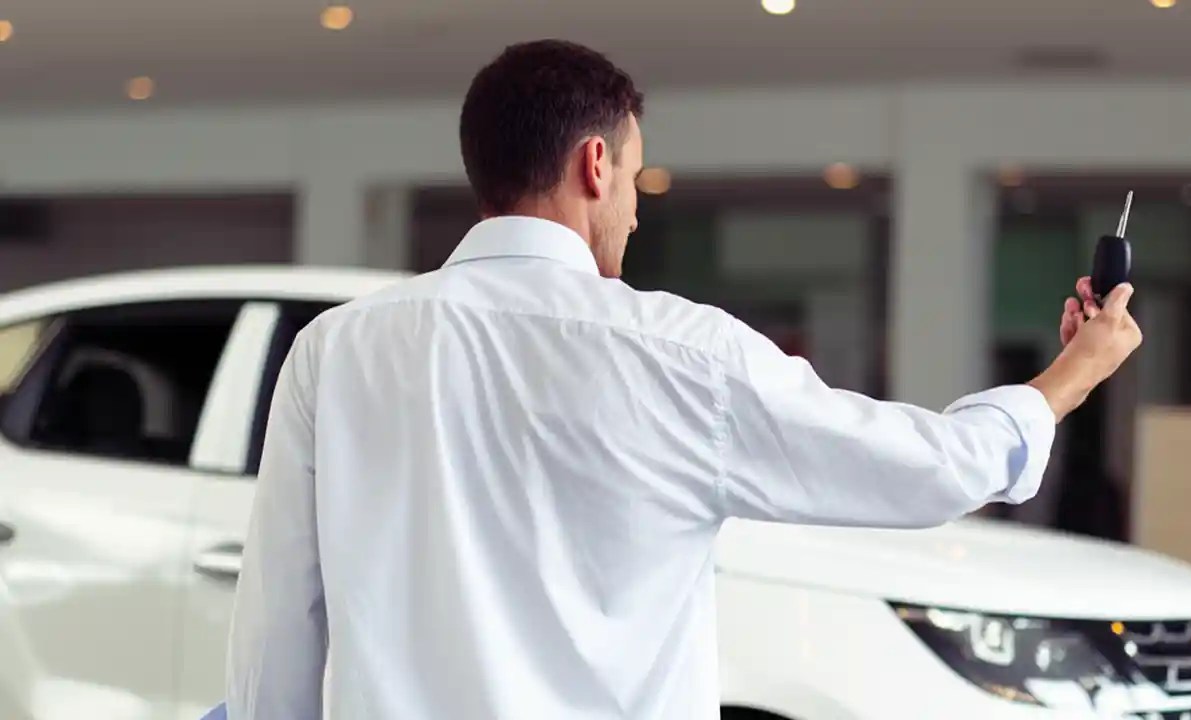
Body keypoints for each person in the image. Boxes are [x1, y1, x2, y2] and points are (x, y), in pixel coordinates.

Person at [225, 39, 1142, 719]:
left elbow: (277, 629)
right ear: (595, 164)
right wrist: (1074, 373)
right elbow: (926, 467)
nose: (631, 206)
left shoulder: (334, 352)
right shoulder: (684, 353)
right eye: (634, 176)